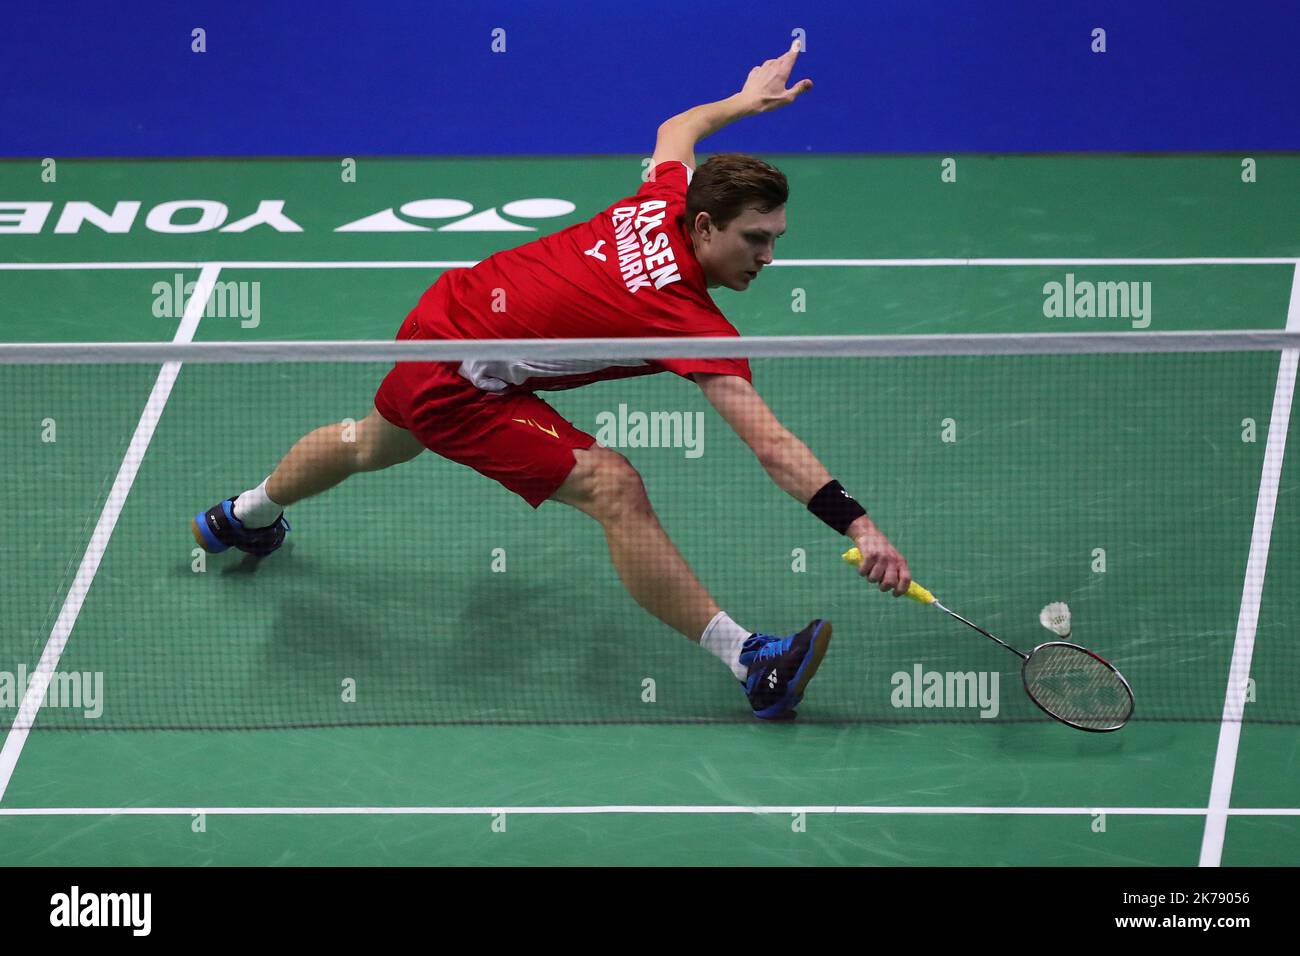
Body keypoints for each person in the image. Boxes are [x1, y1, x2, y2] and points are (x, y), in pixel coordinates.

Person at [192, 41, 911, 720]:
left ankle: (243, 516)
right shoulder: (689, 320)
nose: (768, 256)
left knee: (368, 443)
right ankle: (752, 663)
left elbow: (676, 128)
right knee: (613, 486)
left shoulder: (666, 198)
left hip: (447, 313)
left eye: (776, 240)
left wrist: (743, 101)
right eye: (755, 239)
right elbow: (772, 446)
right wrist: (861, 526)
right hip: (462, 380)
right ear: (701, 228)